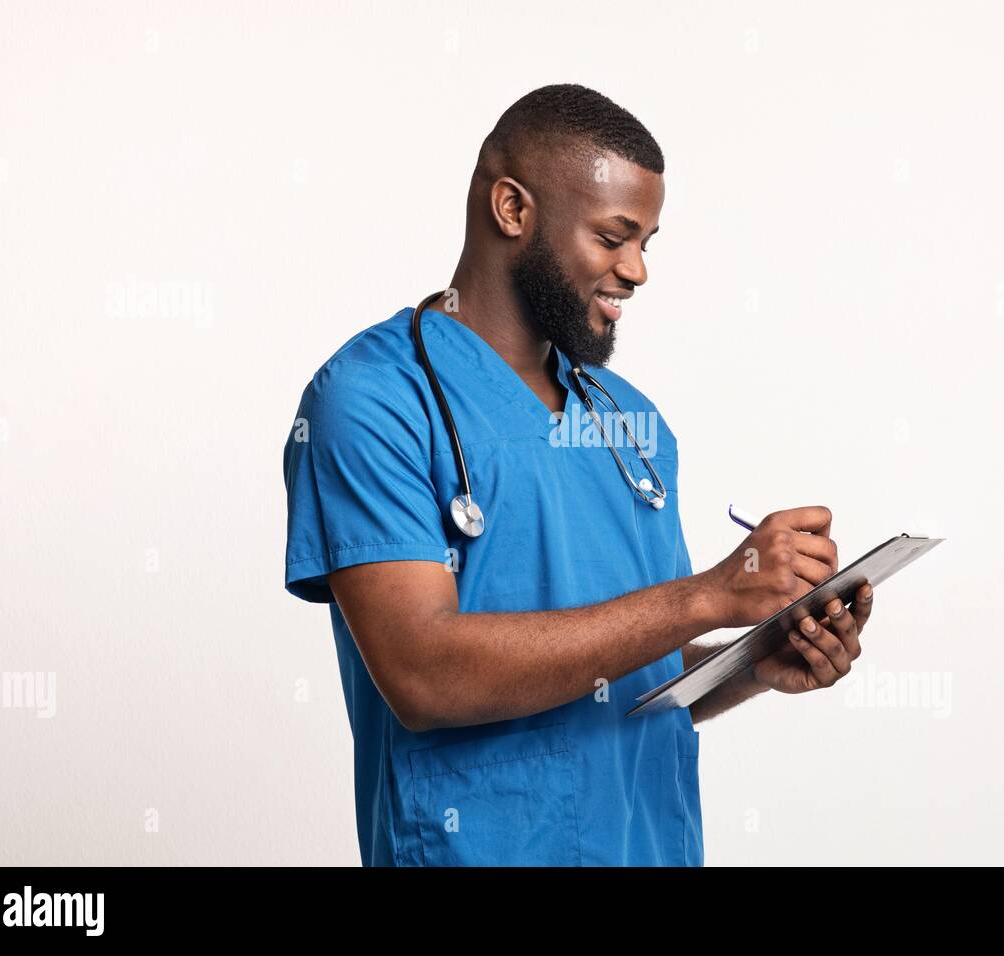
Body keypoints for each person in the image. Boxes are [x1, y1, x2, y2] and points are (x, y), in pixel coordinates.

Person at [282, 83, 875, 867]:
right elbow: (423, 675)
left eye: (648, 242)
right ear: (513, 210)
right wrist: (706, 596)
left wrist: (749, 666)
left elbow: (618, 677)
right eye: (613, 237)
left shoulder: (631, 425)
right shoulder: (373, 401)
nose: (636, 270)